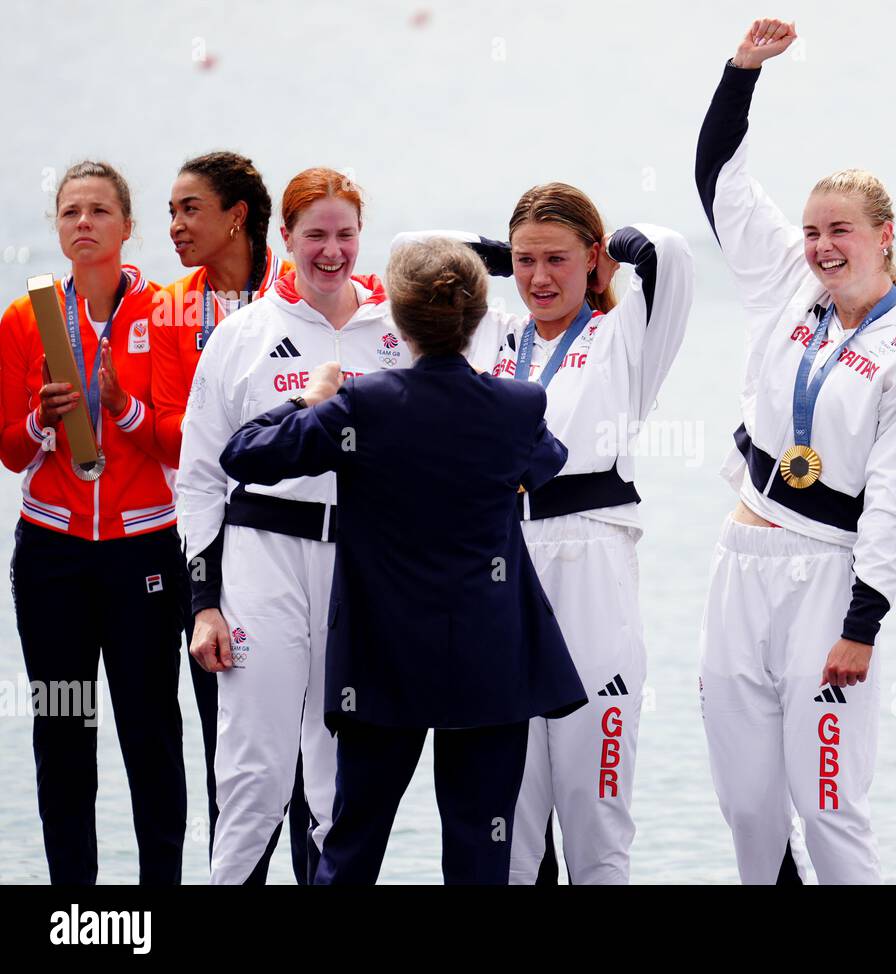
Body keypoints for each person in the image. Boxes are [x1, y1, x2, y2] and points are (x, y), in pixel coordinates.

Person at [220, 237, 586, 884]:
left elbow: (244, 456)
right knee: (481, 851)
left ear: (395, 318)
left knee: (353, 843)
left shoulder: (362, 407)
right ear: (476, 321)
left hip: (381, 659)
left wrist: (309, 398)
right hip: (487, 656)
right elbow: (546, 462)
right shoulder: (517, 405)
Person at [694, 19, 896, 884]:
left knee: (829, 804)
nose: (822, 246)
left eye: (840, 230)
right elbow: (718, 177)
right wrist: (743, 72)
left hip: (830, 580)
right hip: (742, 560)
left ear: (886, 235)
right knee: (745, 806)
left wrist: (862, 626)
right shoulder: (786, 287)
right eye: (812, 231)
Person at [392, 184, 693, 884]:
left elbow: (669, 253)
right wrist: (497, 258)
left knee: (595, 816)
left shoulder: (625, 337)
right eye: (524, 261)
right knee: (510, 827)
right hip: (498, 568)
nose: (537, 278)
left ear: (592, 259)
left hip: (590, 564)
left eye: (556, 260)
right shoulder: (492, 333)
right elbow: (408, 257)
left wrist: (602, 255)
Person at [176, 167, 410, 884]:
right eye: (315, 235)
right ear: (285, 238)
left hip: (363, 568)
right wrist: (203, 604)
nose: (331, 251)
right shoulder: (241, 336)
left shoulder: (399, 331)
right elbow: (200, 479)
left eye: (345, 234)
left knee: (338, 775)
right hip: (264, 560)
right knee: (255, 770)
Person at [0, 160, 186, 884]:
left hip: (142, 547)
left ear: (126, 227)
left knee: (150, 732)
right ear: (58, 226)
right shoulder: (25, 317)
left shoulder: (166, 312)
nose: (84, 222)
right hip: (53, 555)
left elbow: (180, 438)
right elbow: (10, 453)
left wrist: (122, 408)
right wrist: (40, 424)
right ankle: (73, 903)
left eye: (100, 211)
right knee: (63, 730)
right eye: (71, 211)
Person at [151, 150, 310, 882]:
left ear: (238, 217)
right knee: (238, 758)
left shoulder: (310, 290)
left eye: (190, 209)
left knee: (320, 765)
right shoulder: (168, 310)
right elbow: (171, 435)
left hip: (309, 557)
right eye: (172, 210)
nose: (175, 225)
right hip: (201, 549)